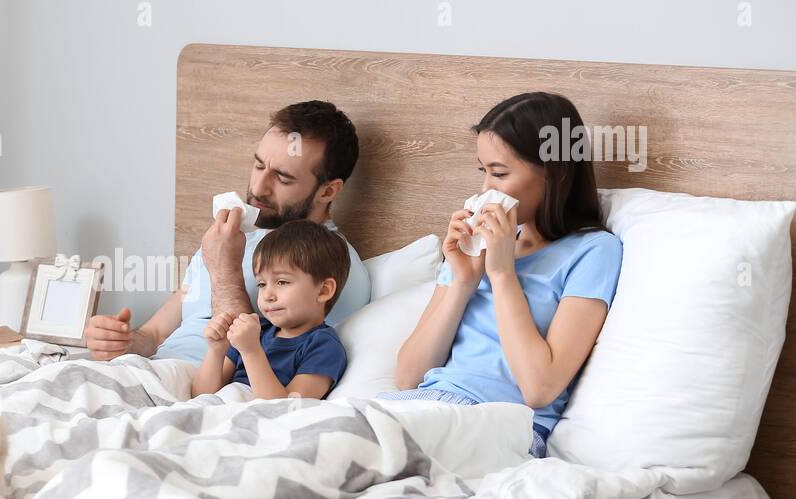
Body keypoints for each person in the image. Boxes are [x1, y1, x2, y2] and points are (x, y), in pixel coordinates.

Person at [384, 92, 624, 459]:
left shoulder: (593, 251)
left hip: (501, 426)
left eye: (499, 173)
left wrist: (501, 274)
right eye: (483, 172)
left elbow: (539, 388)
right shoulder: (478, 247)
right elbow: (408, 377)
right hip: (427, 406)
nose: (485, 190)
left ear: (554, 173)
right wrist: (463, 282)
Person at [83, 100, 372, 365]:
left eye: (283, 178)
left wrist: (225, 271)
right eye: (259, 165)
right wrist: (124, 341)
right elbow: (155, 334)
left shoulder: (333, 266)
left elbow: (273, 366)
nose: (258, 187)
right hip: (153, 369)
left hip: (203, 386)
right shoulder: (229, 239)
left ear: (328, 191)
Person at [191, 220, 350, 400]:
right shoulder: (256, 331)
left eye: (282, 282)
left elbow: (287, 406)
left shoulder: (324, 347)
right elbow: (200, 395)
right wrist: (216, 351)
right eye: (261, 284)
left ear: (323, 291)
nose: (267, 295)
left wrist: (251, 351)